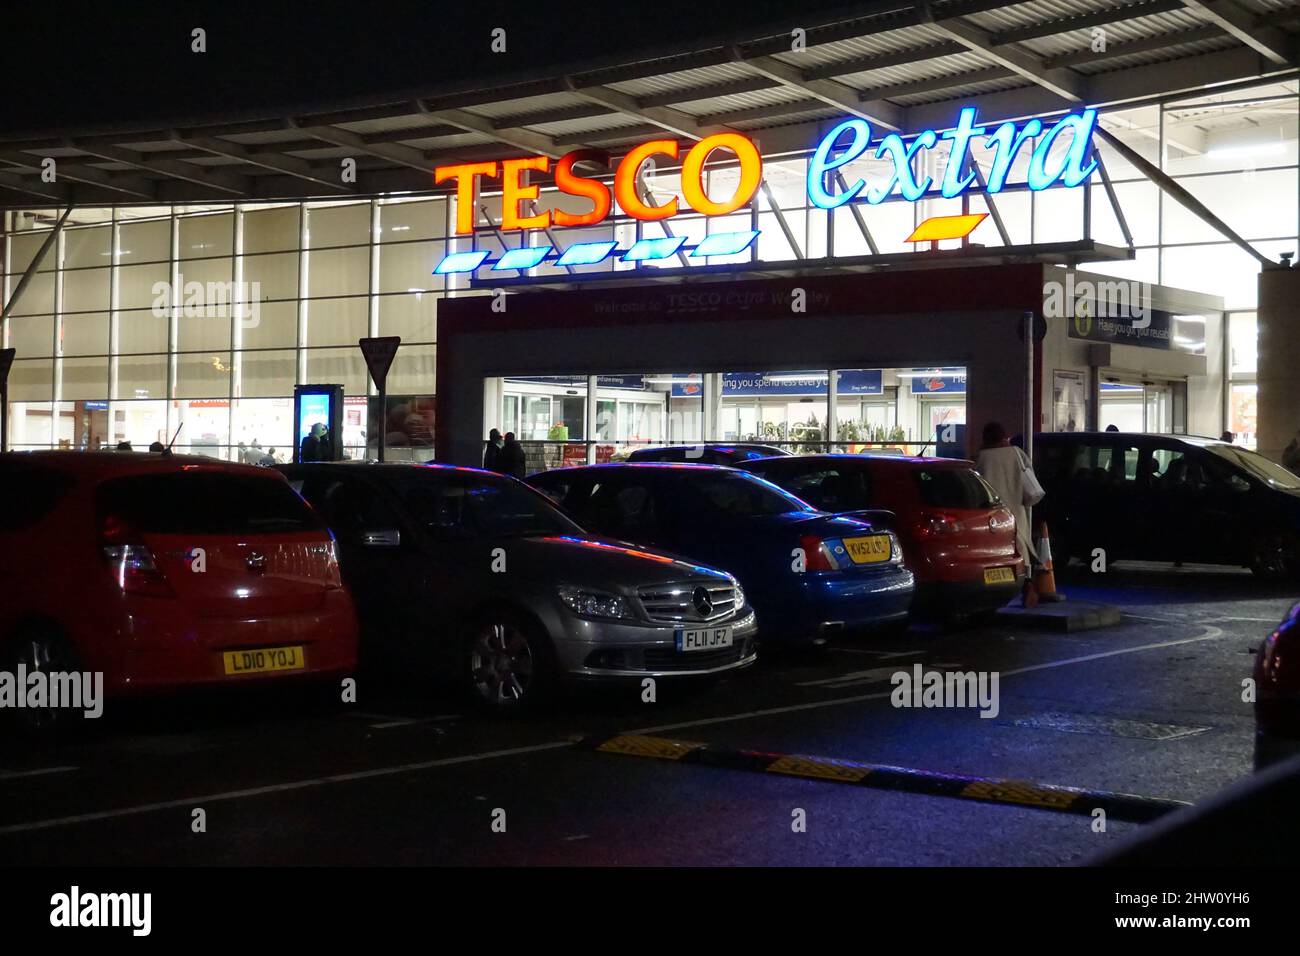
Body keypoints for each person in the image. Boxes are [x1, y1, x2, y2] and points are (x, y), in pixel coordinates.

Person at [974, 421, 1042, 607]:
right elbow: (1029, 481)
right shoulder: (1016, 453)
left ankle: (993, 591)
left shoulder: (980, 458)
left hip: (991, 517)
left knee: (995, 555)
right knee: (1019, 551)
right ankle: (1027, 584)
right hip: (1016, 512)